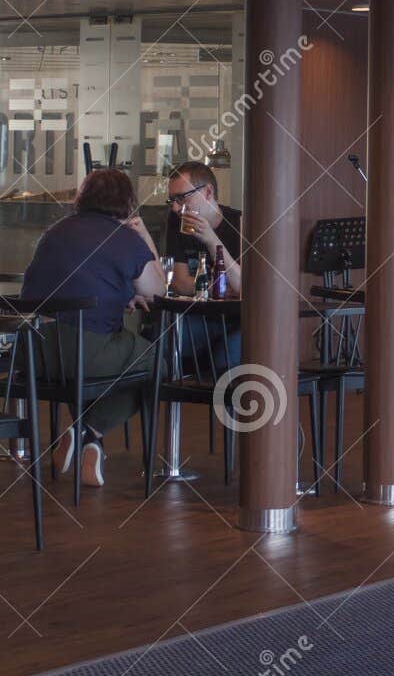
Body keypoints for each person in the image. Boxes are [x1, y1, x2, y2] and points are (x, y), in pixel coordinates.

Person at [21, 168, 165, 487]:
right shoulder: (124, 238)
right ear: (128, 202)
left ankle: (88, 440)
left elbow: (69, 281)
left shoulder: (55, 232)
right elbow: (158, 290)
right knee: (156, 363)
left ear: (82, 196)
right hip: (86, 352)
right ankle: (88, 431)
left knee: (93, 373)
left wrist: (121, 295)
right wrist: (144, 236)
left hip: (35, 353)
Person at [165, 161, 243, 298]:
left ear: (208, 192)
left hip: (233, 311)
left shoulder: (240, 223)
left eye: (181, 198)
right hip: (193, 309)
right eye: (172, 200)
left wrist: (211, 240)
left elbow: (243, 286)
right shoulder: (177, 220)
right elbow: (180, 283)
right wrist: (221, 289)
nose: (175, 208)